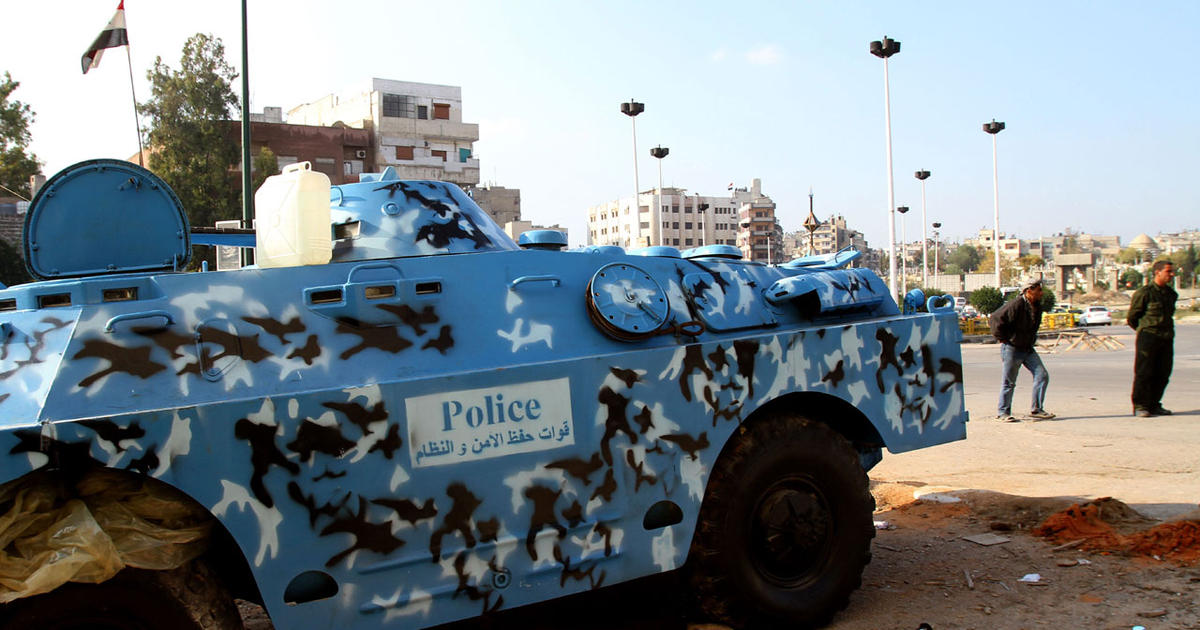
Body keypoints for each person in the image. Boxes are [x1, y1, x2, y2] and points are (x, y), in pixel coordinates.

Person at [989, 279, 1055, 422]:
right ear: (1029, 291)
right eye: (1038, 290)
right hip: (1012, 348)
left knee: (1042, 375)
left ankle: (1036, 409)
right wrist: (1004, 339)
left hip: (1027, 348)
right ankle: (1003, 412)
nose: (1041, 293)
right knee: (1009, 382)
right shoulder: (1016, 304)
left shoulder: (1037, 306)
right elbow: (995, 318)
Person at [1128, 260, 1177, 417]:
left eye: (1172, 271)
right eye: (1168, 271)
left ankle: (1154, 404)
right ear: (1158, 272)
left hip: (1166, 337)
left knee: (1163, 373)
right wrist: (1144, 329)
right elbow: (1132, 317)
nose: (1172, 275)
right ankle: (1140, 405)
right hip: (1148, 337)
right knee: (1144, 372)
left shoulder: (1171, 294)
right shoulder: (1145, 293)